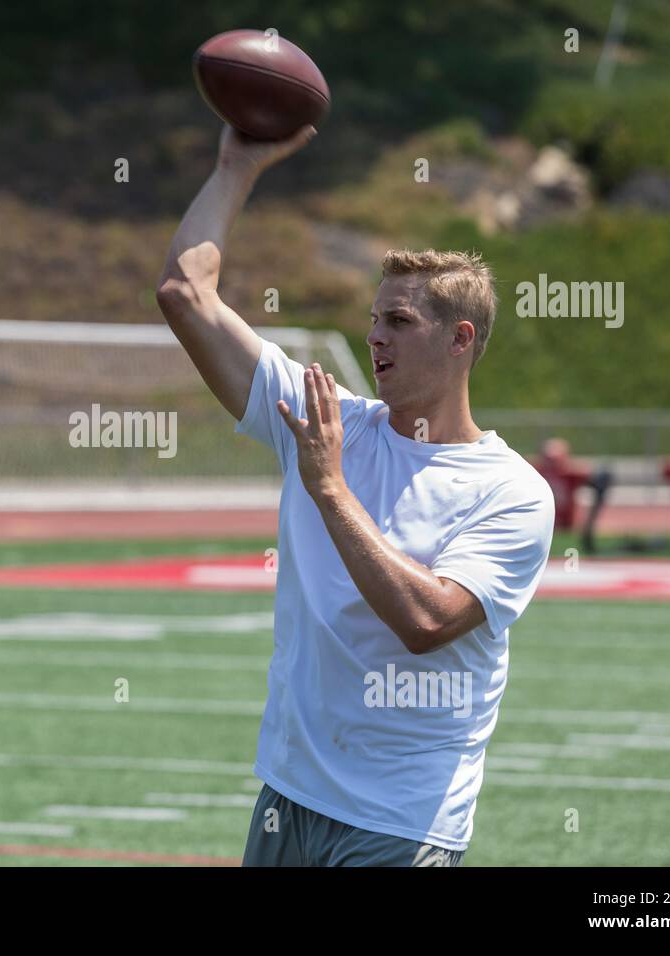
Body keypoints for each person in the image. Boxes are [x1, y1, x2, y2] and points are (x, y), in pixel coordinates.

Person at [155, 124, 555, 867]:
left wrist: (330, 486)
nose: (376, 338)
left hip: (399, 821)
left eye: (399, 322)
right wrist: (236, 168)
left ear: (461, 339)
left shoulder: (513, 491)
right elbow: (184, 293)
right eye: (374, 319)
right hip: (288, 801)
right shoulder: (326, 422)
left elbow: (426, 619)